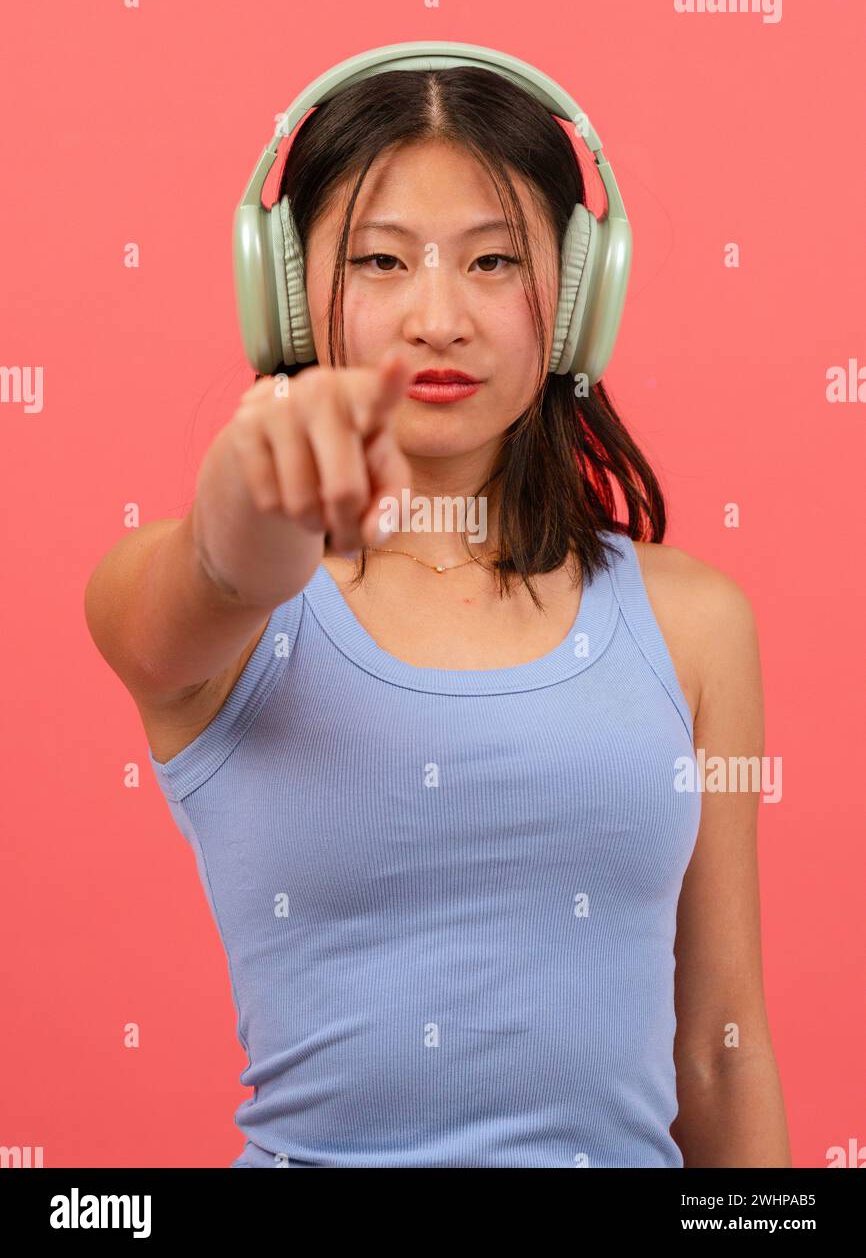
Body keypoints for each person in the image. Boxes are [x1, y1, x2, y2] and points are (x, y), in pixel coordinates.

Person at [84, 59, 790, 1168]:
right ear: (280, 290)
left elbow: (718, 1046)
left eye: (493, 259)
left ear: (575, 295)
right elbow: (221, 572)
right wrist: (254, 482)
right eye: (378, 260)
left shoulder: (694, 623)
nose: (437, 316)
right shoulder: (206, 610)